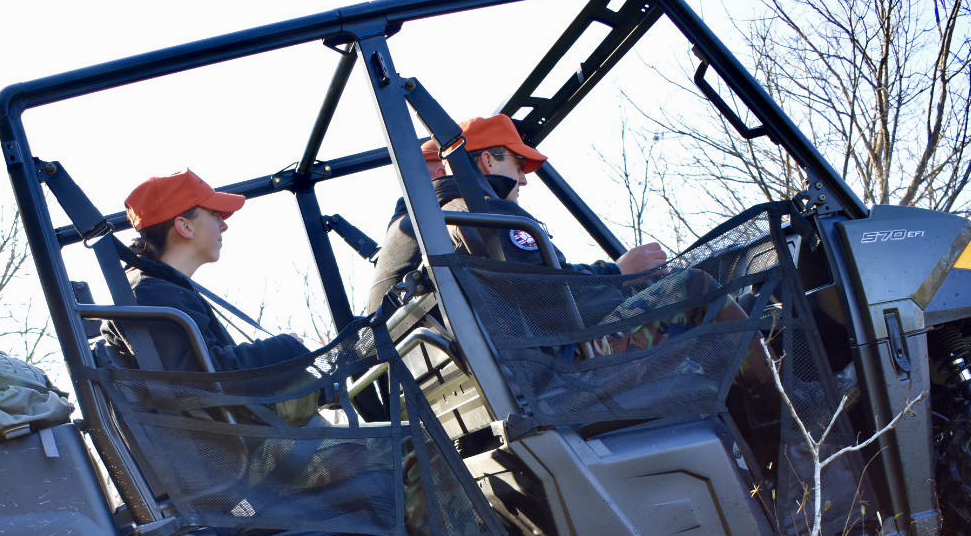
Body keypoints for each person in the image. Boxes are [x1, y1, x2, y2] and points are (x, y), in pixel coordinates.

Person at [366, 115, 669, 317]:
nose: (523, 179)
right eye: (518, 164)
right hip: (556, 372)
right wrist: (618, 274)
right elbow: (553, 297)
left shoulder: (421, 223)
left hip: (487, 377)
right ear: (487, 160)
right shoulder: (482, 214)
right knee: (694, 285)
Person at [111, 169, 309, 373]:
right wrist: (285, 348)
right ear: (185, 227)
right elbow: (202, 377)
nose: (224, 226)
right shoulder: (151, 294)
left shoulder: (158, 290)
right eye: (214, 215)